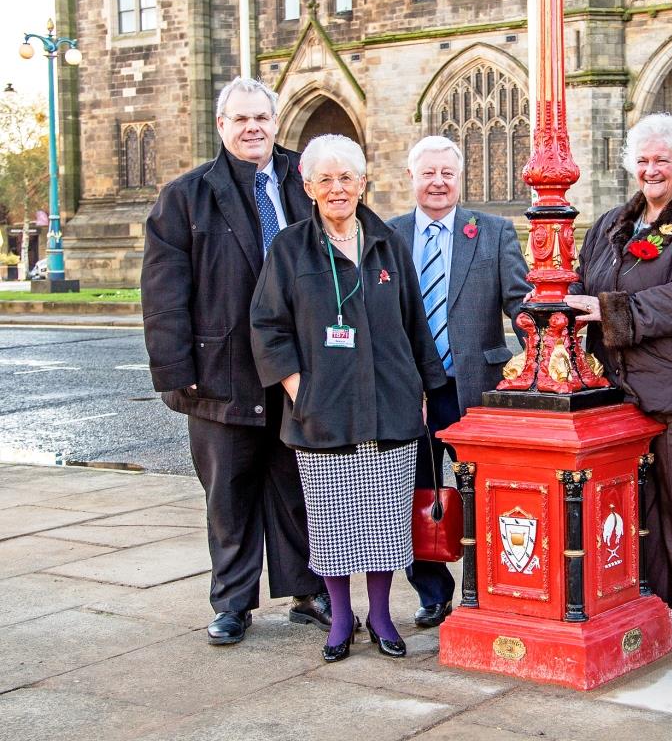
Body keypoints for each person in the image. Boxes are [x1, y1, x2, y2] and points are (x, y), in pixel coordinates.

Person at [141, 77, 332, 646]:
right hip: (220, 371)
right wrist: (175, 373)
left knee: (301, 488)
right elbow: (164, 291)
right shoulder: (187, 195)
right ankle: (232, 602)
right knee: (228, 494)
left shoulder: (310, 180)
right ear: (221, 127)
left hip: (301, 368)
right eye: (240, 119)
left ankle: (308, 590)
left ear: (276, 122)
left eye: (262, 118)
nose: (253, 128)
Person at [250, 134, 447, 663]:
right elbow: (268, 328)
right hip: (323, 411)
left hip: (389, 407)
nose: (338, 188)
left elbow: (415, 324)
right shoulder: (289, 248)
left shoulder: (388, 243)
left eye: (347, 178)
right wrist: (299, 390)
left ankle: (381, 615)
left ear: (363, 183)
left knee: (384, 524)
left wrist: (425, 388)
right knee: (334, 525)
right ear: (308, 186)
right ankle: (340, 618)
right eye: (326, 179)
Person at [564, 114, 672, 653]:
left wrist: (609, 310)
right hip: (626, 396)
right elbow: (583, 277)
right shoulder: (613, 222)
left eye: (662, 159)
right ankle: (654, 599)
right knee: (642, 510)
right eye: (642, 160)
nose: (651, 168)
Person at [388, 136, 531, 628]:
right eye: (428, 173)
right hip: (410, 392)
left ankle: (490, 582)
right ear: (412, 178)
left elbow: (519, 300)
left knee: (485, 491)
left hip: (473, 386)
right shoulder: (388, 236)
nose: (438, 182)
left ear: (460, 177)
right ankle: (432, 592)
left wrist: (545, 342)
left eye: (447, 173)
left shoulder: (491, 232)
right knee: (415, 491)